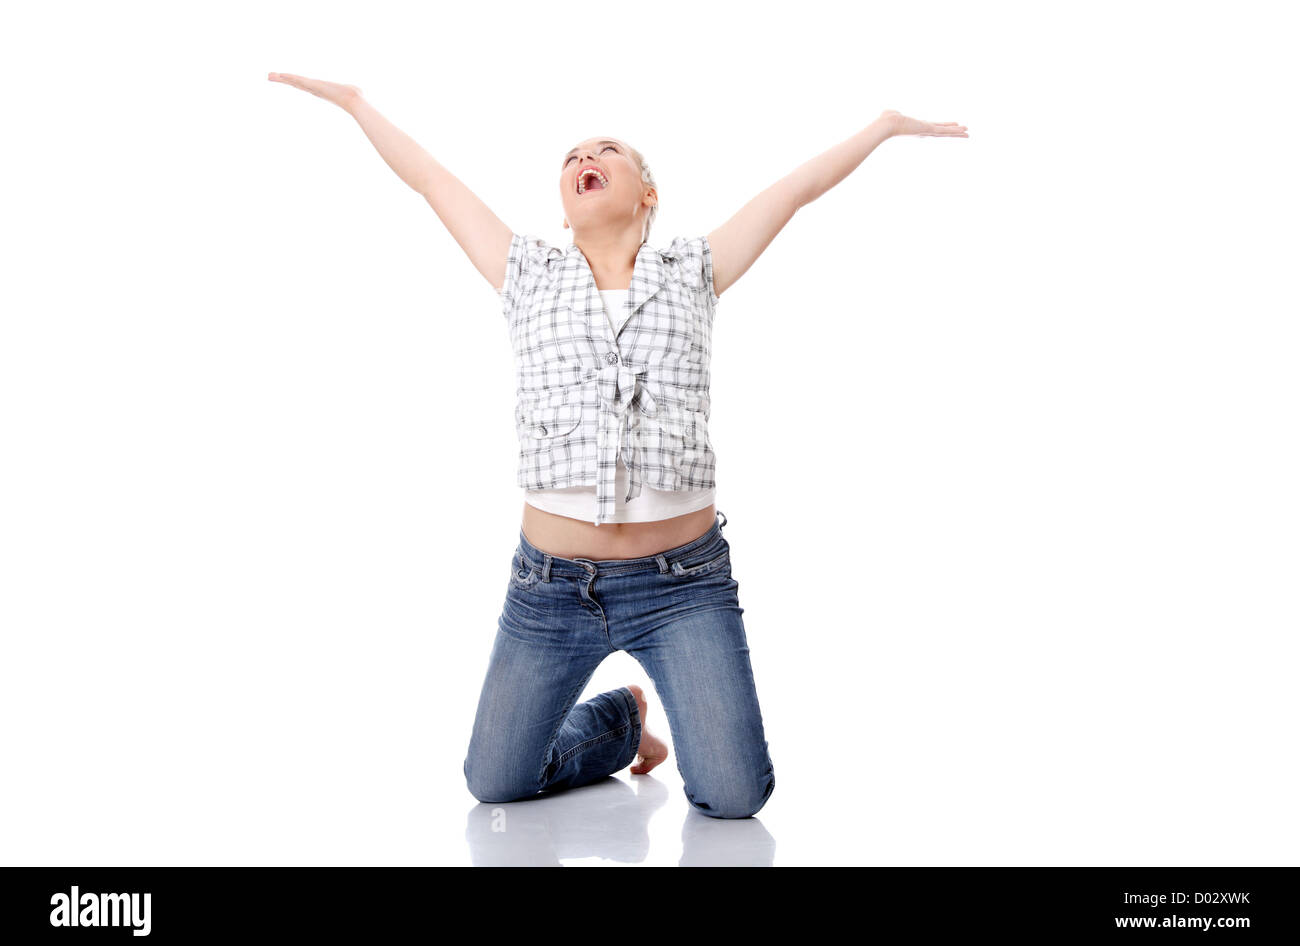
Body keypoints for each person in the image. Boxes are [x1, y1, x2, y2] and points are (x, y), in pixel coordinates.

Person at [267, 72, 967, 818]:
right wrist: (355, 105)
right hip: (550, 591)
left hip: (684, 586)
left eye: (605, 151)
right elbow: (432, 182)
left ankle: (652, 717)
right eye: (570, 156)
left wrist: (883, 126)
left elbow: (793, 191)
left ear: (647, 196)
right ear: (564, 207)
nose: (583, 159)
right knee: (494, 781)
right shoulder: (527, 274)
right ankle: (622, 720)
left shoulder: (695, 270)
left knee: (733, 799)